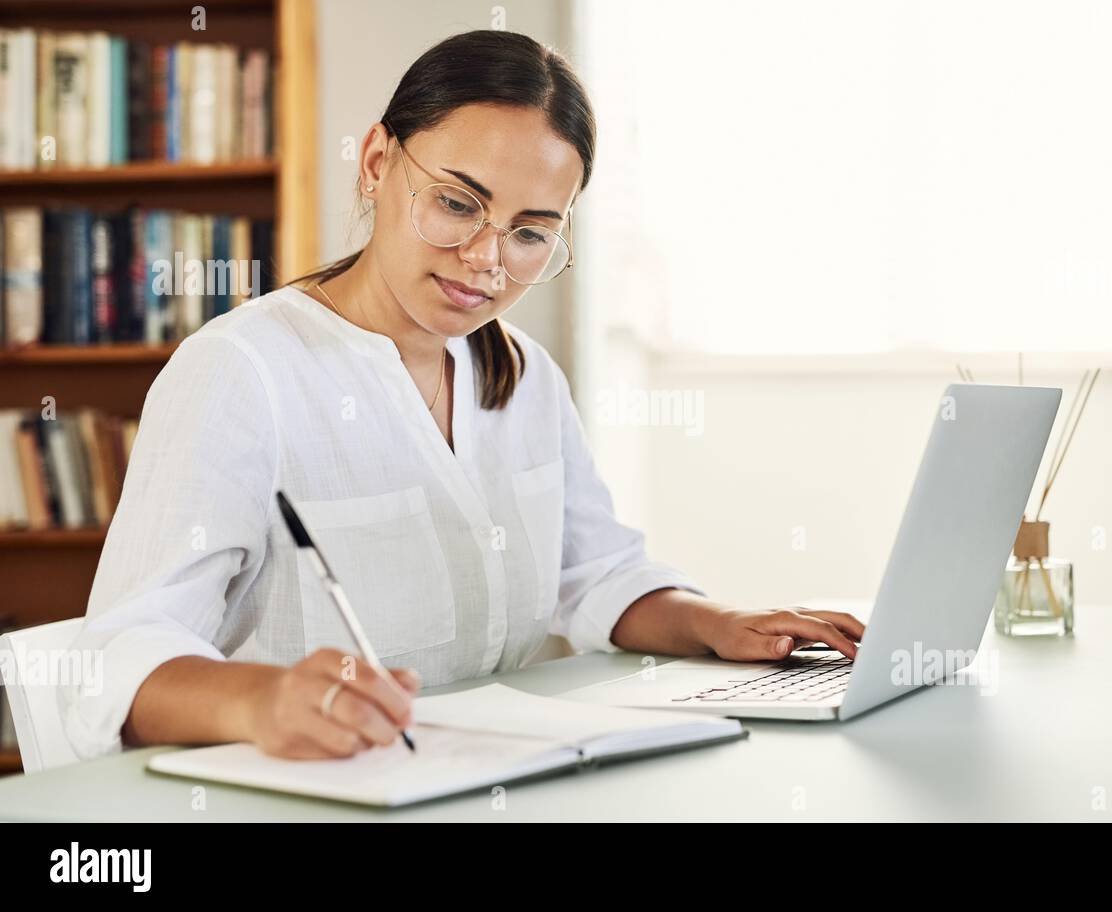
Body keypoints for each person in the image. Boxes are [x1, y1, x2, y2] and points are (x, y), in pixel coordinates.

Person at [58, 30, 862, 761]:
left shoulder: (524, 376)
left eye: (530, 232)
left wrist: (718, 624)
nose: (487, 259)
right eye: (456, 203)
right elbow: (117, 654)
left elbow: (595, 572)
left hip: (483, 780)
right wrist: (263, 700)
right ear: (376, 163)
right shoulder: (242, 372)